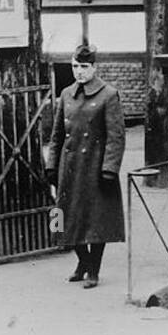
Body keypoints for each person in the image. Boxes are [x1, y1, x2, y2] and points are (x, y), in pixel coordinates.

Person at [46, 44, 126, 288]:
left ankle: (93, 269)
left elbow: (116, 136)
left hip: (95, 168)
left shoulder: (108, 95)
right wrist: (52, 165)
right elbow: (57, 135)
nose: (79, 72)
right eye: (75, 67)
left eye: (83, 67)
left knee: (96, 221)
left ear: (94, 68)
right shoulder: (66, 94)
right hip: (69, 168)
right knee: (64, 218)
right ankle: (83, 262)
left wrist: (109, 168)